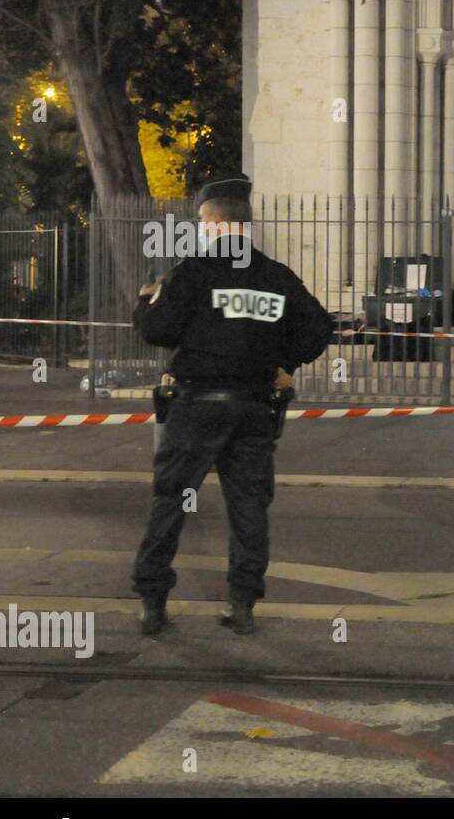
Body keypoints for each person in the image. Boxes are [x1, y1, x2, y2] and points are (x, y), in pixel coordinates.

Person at [130, 174, 332, 636]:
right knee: (248, 508)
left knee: (170, 502)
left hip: (196, 408)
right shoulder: (275, 275)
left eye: (201, 222)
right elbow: (318, 329)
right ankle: (241, 604)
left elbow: (159, 330)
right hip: (253, 409)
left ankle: (153, 601)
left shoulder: (194, 272)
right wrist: (286, 363)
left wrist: (144, 304)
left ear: (211, 221)